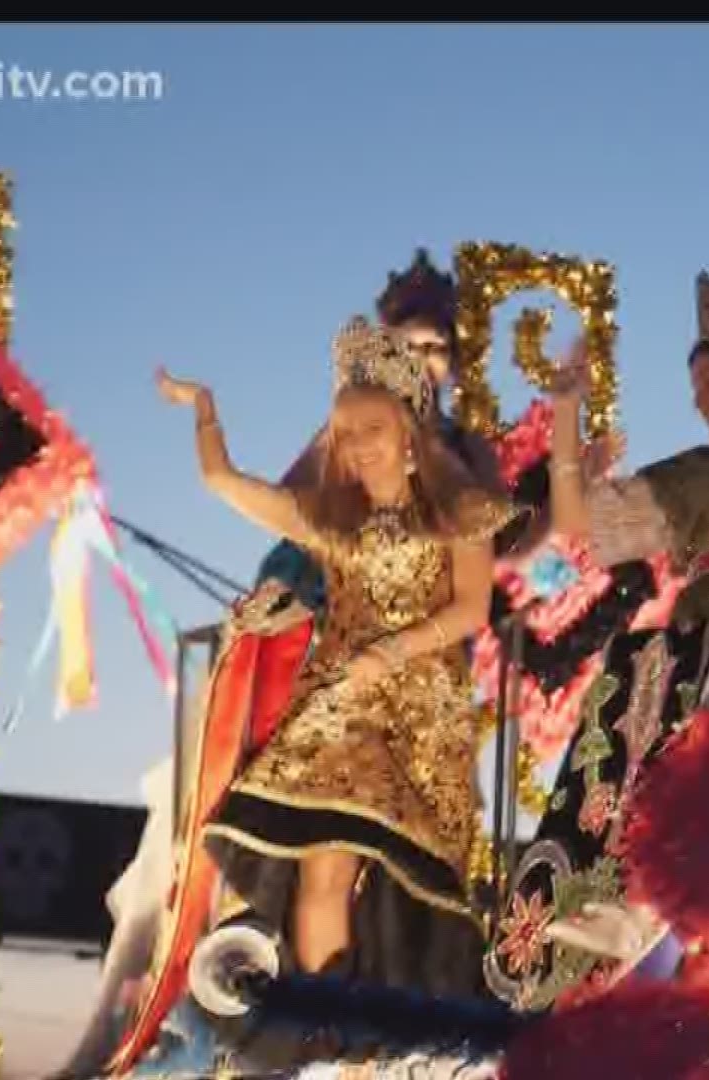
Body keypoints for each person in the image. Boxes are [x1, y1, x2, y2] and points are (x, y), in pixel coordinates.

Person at [154, 316, 516, 1051]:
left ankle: (392, 1039)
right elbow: (221, 481)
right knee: (322, 867)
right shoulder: (331, 521)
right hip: (341, 709)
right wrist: (205, 409)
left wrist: (395, 652)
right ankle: (327, 1039)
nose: (356, 444)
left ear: (409, 433)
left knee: (409, 893)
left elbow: (473, 610)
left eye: (372, 427)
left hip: (422, 715)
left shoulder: (461, 512)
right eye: (344, 430)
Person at [483, 271, 709, 1010]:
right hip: (707, 654)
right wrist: (566, 414)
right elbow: (577, 523)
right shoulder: (700, 477)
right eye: (695, 384)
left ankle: (661, 914)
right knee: (634, 689)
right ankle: (624, 914)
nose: (697, 399)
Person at [257, 248, 505, 612]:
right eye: (409, 347)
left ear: (452, 360)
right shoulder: (348, 425)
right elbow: (287, 502)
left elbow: (496, 537)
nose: (421, 358)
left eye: (435, 347)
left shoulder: (467, 444)